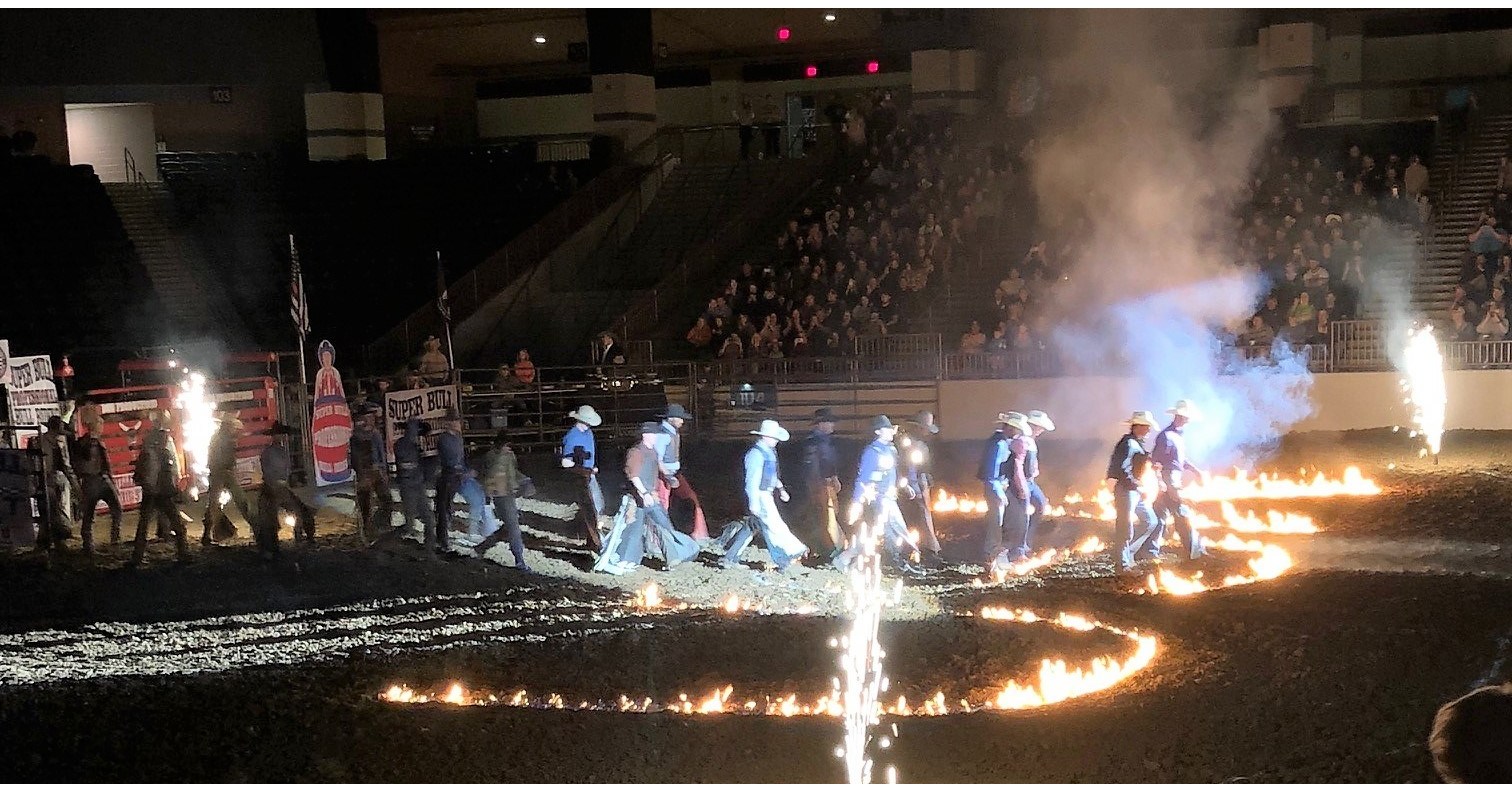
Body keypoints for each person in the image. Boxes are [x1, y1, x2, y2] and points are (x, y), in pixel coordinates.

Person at [598, 422, 699, 574]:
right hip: (639, 499)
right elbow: (633, 476)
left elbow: (658, 464)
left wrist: (669, 477)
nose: (657, 437)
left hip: (650, 497)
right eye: (654, 434)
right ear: (646, 435)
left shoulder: (651, 451)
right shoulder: (636, 452)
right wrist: (644, 493)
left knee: (664, 527)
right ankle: (625, 560)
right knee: (633, 530)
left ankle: (674, 557)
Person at [720, 419, 810, 572]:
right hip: (760, 495)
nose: (776, 440)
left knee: (753, 526)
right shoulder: (756, 454)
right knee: (774, 526)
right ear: (765, 436)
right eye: (774, 437)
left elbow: (770, 476)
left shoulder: (768, 453)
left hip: (765, 494)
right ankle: (787, 556)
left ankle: (730, 557)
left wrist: (781, 488)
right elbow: (752, 480)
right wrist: (754, 502)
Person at [842, 415, 922, 575]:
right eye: (887, 429)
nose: (892, 432)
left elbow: (893, 472)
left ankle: (845, 559)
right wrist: (857, 501)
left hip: (888, 497)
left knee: (877, 533)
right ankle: (903, 560)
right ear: (878, 431)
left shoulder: (890, 450)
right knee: (898, 529)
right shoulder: (872, 452)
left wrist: (905, 486)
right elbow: (863, 478)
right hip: (880, 499)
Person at [129, 409, 188, 567]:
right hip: (162, 487)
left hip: (151, 487)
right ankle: (183, 553)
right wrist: (175, 480)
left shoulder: (149, 439)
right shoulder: (165, 439)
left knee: (144, 523)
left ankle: (137, 557)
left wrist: (142, 479)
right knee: (176, 521)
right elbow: (171, 462)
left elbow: (144, 461)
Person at [1151, 399, 1208, 560]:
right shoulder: (1166, 437)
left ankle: (1148, 551)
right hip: (1169, 479)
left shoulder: (1176, 436)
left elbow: (1180, 460)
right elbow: (1156, 461)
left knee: (1160, 515)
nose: (1188, 420)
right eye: (1185, 417)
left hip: (1171, 478)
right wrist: (1161, 481)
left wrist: (1196, 471)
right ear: (1179, 417)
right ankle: (1194, 551)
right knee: (1182, 513)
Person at [1106, 410, 1161, 570]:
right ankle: (1123, 564)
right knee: (1125, 526)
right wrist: (1138, 485)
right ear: (1138, 427)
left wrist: (1149, 460)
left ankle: (1126, 555)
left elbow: (1135, 461)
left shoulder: (1134, 442)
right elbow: (1123, 469)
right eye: (1147, 427)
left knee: (1151, 521)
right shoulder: (1129, 443)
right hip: (1127, 490)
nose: (1149, 431)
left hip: (1133, 490)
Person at [979, 412, 1032, 573]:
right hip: (996, 488)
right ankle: (992, 560)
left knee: (999, 523)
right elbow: (991, 472)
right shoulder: (998, 445)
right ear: (1010, 427)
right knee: (996, 524)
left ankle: (995, 559)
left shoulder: (1000, 442)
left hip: (998, 486)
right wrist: (998, 492)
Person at [255, 421, 313, 560]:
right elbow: (273, 472)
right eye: (279, 435)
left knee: (292, 512)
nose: (281, 437)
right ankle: (297, 538)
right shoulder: (272, 452)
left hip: (276, 486)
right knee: (293, 512)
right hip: (274, 486)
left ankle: (296, 538)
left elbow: (280, 471)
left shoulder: (275, 452)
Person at [474, 431, 530, 571]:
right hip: (501, 496)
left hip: (508, 494)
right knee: (513, 528)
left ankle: (482, 547)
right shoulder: (493, 456)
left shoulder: (509, 456)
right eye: (506, 445)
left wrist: (523, 480)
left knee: (509, 526)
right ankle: (519, 559)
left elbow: (513, 471)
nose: (509, 448)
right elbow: (490, 475)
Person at [652, 404, 708, 542]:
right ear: (671, 418)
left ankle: (698, 532)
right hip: (664, 475)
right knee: (662, 504)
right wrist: (667, 476)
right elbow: (657, 459)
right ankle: (659, 537)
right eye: (680, 418)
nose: (682, 421)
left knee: (689, 497)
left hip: (673, 473)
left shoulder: (671, 432)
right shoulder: (663, 434)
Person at [898, 410, 944, 567]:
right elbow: (907, 469)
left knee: (922, 516)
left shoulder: (917, 444)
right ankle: (927, 549)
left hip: (918, 484)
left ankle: (921, 548)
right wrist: (911, 486)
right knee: (920, 517)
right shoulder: (909, 445)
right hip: (914, 486)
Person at [201, 413, 251, 545]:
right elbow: (224, 457)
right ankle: (255, 528)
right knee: (239, 502)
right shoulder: (224, 439)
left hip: (219, 473)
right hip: (222, 472)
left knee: (213, 505)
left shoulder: (218, 437)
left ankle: (207, 535)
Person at [1012, 409, 1056, 562]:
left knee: (1041, 504)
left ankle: (1026, 543)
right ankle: (1019, 550)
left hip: (1030, 481)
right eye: (1039, 427)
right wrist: (1021, 486)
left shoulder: (1030, 441)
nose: (1041, 430)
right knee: (1022, 516)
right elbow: (1018, 465)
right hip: (1022, 482)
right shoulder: (1022, 441)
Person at [75, 416, 122, 554]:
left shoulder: (85, 442)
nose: (102, 428)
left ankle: (90, 544)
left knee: (91, 514)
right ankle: (113, 539)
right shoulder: (91, 442)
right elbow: (102, 463)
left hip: (94, 481)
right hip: (97, 480)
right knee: (113, 509)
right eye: (100, 425)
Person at [562, 405, 605, 550]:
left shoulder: (587, 433)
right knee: (591, 507)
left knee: (594, 505)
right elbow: (566, 462)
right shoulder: (573, 436)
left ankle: (590, 537)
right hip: (581, 476)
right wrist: (582, 469)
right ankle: (595, 540)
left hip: (588, 474)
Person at [801, 407, 844, 554]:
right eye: (829, 422)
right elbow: (825, 462)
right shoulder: (820, 442)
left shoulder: (815, 441)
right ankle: (834, 547)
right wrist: (831, 478)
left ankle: (823, 546)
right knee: (828, 514)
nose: (832, 425)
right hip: (822, 484)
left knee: (824, 514)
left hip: (819, 483)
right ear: (822, 424)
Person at [348, 406, 391, 544]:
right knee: (368, 504)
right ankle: (371, 529)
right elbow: (357, 457)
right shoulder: (358, 437)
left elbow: (380, 454)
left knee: (383, 500)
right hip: (368, 472)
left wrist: (383, 469)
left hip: (372, 471)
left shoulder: (370, 435)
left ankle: (377, 527)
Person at [36, 415, 76, 546]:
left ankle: (50, 541)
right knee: (52, 511)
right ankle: (54, 539)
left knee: (51, 511)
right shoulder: (43, 443)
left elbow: (65, 466)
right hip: (46, 480)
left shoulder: (49, 442)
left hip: (51, 480)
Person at [393, 417, 435, 541]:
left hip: (415, 482)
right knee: (413, 511)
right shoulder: (404, 445)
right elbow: (407, 464)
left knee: (420, 512)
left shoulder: (407, 444)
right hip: (410, 483)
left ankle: (424, 535)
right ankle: (411, 533)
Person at [432, 409, 467, 553]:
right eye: (455, 421)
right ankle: (442, 538)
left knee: (447, 506)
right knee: (443, 506)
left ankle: (443, 536)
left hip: (455, 475)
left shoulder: (457, 438)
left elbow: (460, 457)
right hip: (448, 475)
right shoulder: (445, 439)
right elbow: (450, 459)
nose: (458, 423)